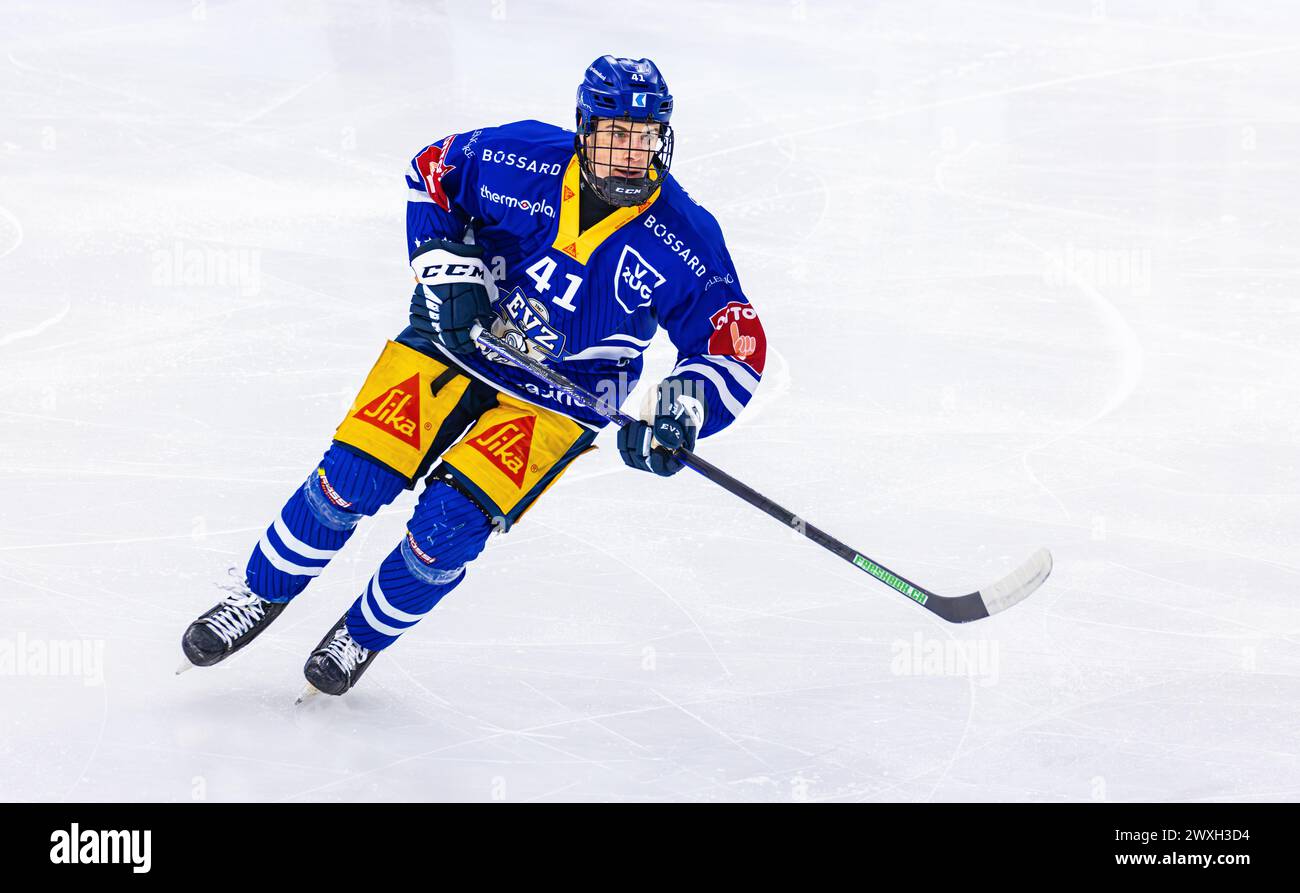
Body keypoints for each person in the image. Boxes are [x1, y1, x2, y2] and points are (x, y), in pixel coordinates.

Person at [179, 55, 768, 697]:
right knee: (349, 482)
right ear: (584, 127)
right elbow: (432, 171)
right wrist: (443, 266)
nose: (630, 152)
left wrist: (682, 407)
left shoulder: (685, 237)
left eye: (645, 135)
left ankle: (360, 637)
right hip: (454, 343)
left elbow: (733, 339)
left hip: (562, 398)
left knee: (447, 531)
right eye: (614, 133)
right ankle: (256, 596)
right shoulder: (522, 158)